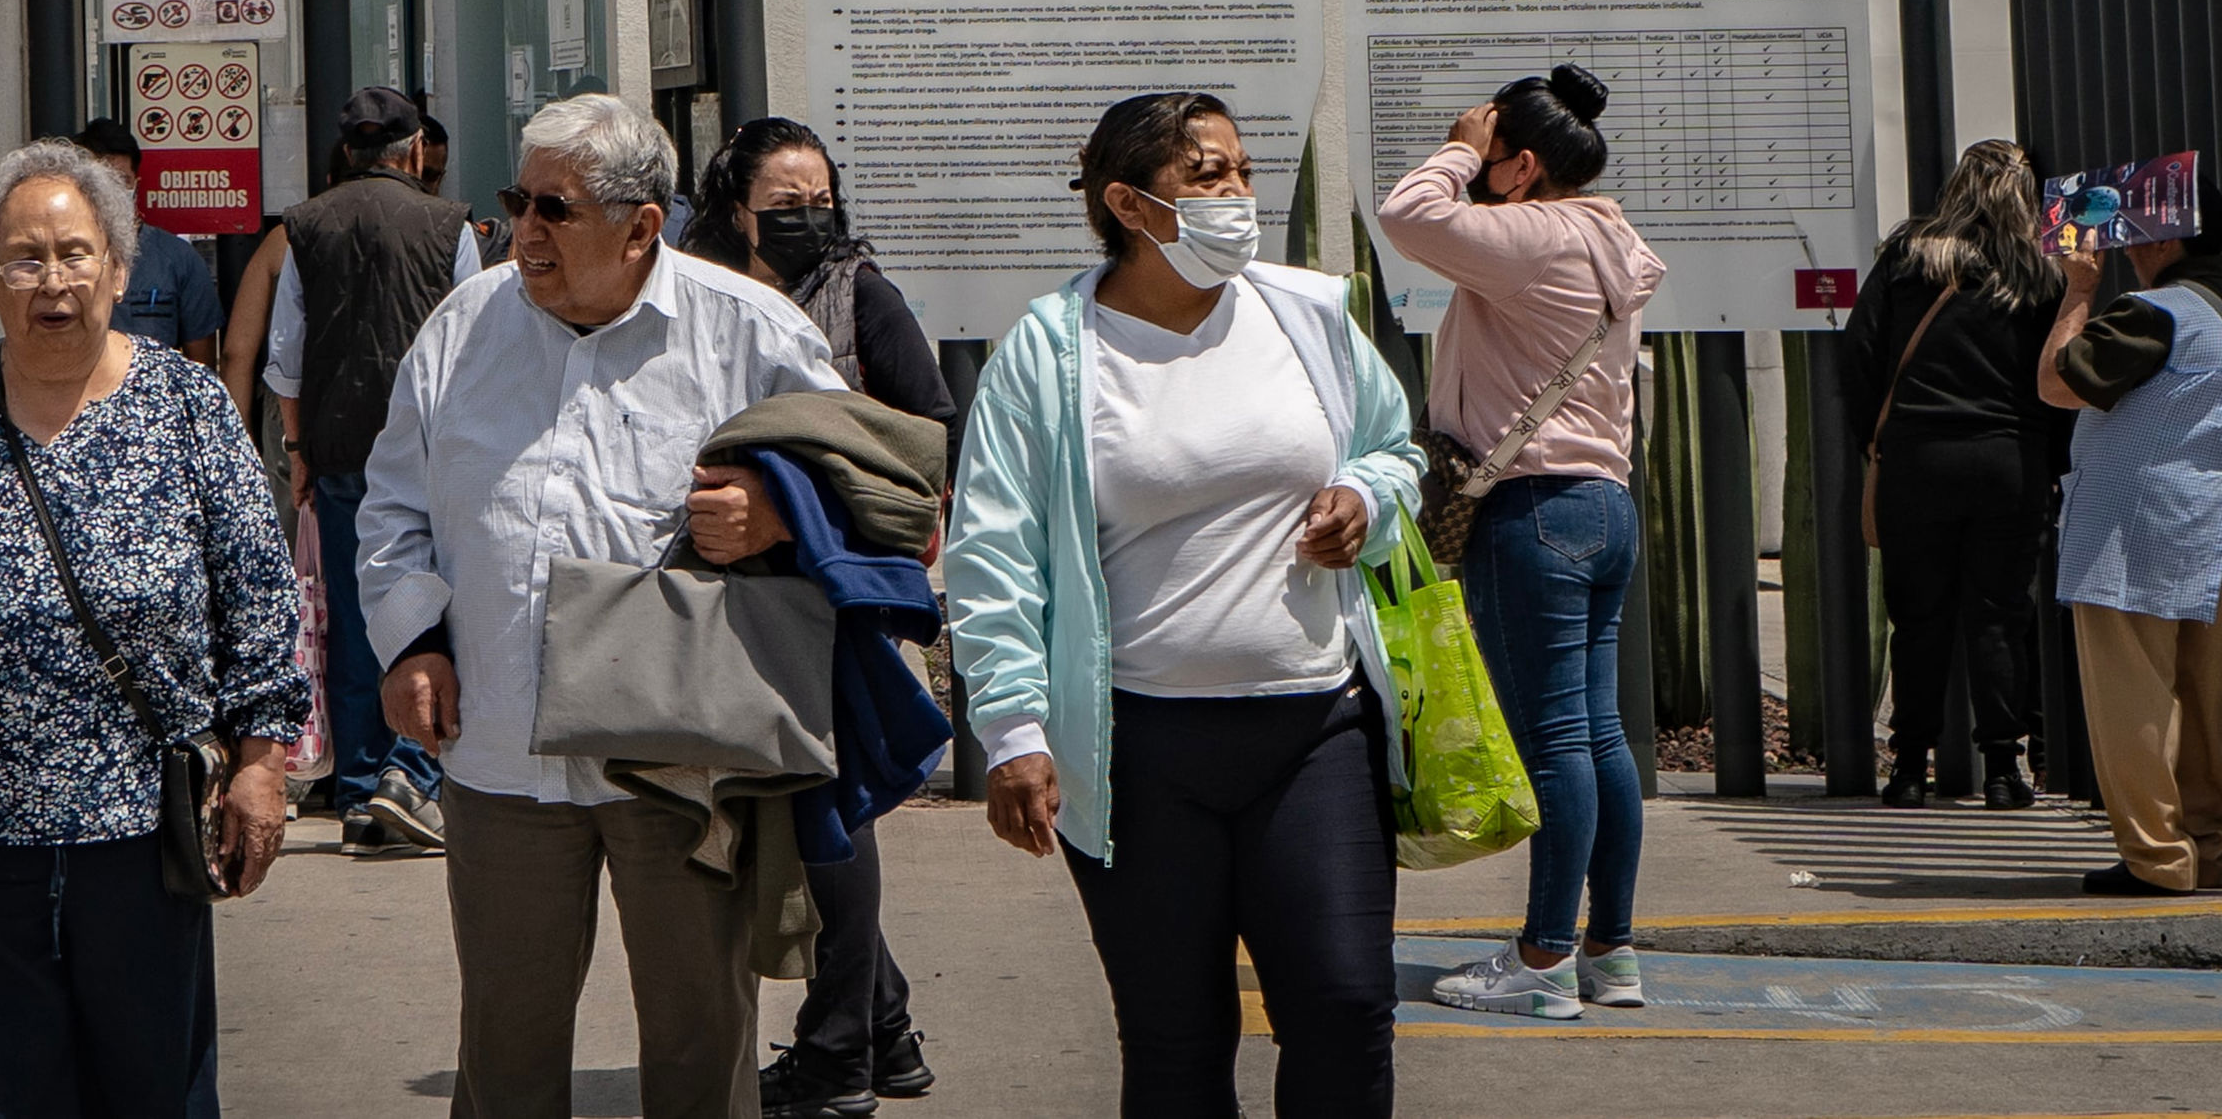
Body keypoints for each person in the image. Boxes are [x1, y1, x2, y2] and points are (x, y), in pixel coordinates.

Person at [357, 91, 844, 1119]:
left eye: (554, 208)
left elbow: (862, 491)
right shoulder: (466, 325)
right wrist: (412, 642)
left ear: (642, 226)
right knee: (506, 1043)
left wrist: (773, 511)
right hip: (498, 743)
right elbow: (392, 506)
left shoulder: (750, 329)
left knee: (700, 1037)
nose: (523, 231)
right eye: (516, 200)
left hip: (682, 750)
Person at [954, 92, 1425, 1119]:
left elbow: (1395, 449)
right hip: (1140, 752)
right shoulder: (1050, 348)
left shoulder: (1306, 311)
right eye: (1206, 174)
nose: (1237, 196)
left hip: (1316, 725)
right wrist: (1014, 728)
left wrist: (1366, 497)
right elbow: (994, 550)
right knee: (1177, 1041)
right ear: (1128, 201)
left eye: (1243, 170)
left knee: (1346, 1005)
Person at [0, 142, 304, 1119]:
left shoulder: (187, 407)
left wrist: (260, 763)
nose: (52, 279)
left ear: (120, 269)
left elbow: (259, 602)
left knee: (151, 1088)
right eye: (24, 257)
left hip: (138, 831)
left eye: (76, 252)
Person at [1374, 65, 1665, 1020]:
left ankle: (1542, 963)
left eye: (1493, 158)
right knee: (1596, 737)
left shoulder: (1536, 233)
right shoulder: (1604, 234)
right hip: (1603, 505)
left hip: (1533, 509)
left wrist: (1460, 144)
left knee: (1553, 746)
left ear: (1524, 165)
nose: (1476, 168)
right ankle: (1609, 953)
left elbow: (1408, 214)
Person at [687, 120, 955, 1119]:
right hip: (739, 587)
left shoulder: (859, 291)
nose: (808, 218)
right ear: (736, 206)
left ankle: (839, 1048)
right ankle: (884, 1028)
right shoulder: (703, 291)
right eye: (785, 201)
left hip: (832, 581)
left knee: (827, 803)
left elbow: (928, 421)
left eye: (821, 199)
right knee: (806, 799)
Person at [2040, 184, 2222, 896]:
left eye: (2135, 233)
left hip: (2137, 530)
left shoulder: (2156, 311)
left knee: (2133, 698)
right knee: (2206, 704)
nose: (2125, 247)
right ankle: (2206, 849)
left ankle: (2155, 858)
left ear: (2164, 240)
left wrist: (2078, 290)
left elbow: (2059, 383)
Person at [268, 85, 481, 858]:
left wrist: (297, 454)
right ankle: (412, 772)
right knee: (438, 600)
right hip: (431, 445)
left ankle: (360, 790)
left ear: (348, 151)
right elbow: (472, 339)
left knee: (355, 620)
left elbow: (285, 360)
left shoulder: (306, 227)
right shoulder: (449, 224)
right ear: (414, 150)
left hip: (338, 447)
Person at [1839, 139, 2067, 809]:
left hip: (1918, 457)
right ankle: (2003, 769)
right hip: (2009, 459)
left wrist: (1876, 439)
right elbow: (2059, 372)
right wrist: (2052, 458)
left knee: (1918, 618)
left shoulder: (1909, 256)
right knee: (1999, 617)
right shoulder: (2041, 273)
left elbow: (1859, 355)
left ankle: (1909, 767)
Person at [81, 116, 228, 372]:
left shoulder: (177, 258)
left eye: (121, 180)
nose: (112, 190)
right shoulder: (60, 263)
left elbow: (201, 369)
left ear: (136, 185)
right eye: (101, 181)